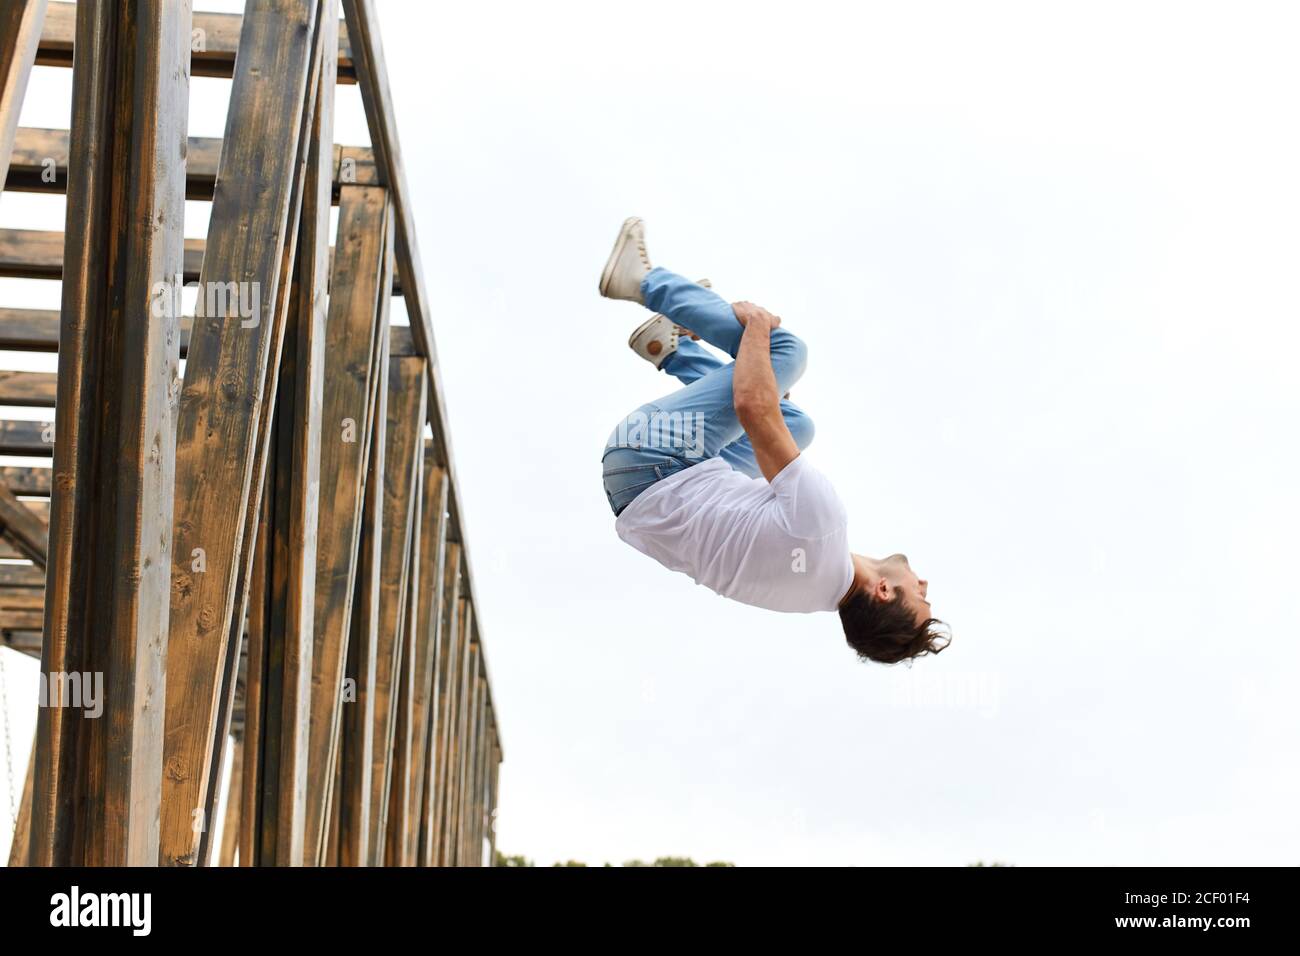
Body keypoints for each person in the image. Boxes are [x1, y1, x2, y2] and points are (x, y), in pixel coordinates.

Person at [598, 218, 949, 664]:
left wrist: (757, 330)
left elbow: (752, 408)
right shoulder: (806, 596)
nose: (924, 585)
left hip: (652, 455)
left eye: (920, 598)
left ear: (882, 591)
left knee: (786, 352)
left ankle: (642, 281)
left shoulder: (822, 526)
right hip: (636, 491)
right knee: (797, 426)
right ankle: (667, 349)